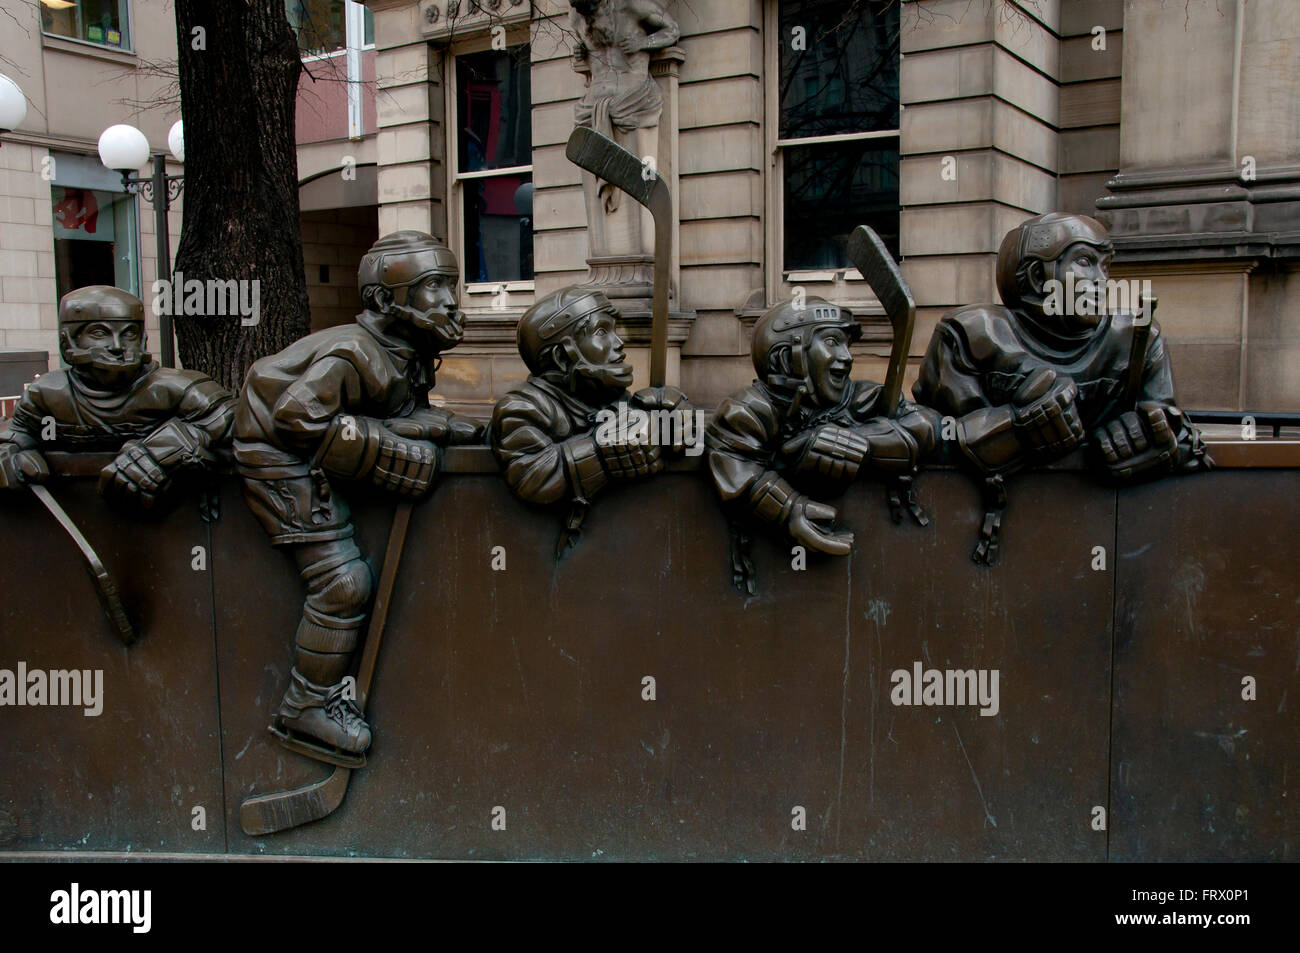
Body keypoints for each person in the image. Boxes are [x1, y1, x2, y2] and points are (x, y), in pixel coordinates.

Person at [233, 231, 481, 765]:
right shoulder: (352, 352)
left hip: (306, 447)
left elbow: (389, 411)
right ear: (382, 301)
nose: (448, 300)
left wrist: (430, 427)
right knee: (343, 584)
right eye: (430, 287)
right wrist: (384, 448)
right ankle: (306, 704)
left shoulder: (408, 350)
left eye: (451, 286)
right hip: (279, 460)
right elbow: (297, 418)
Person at [913, 211, 1212, 562]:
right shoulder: (971, 334)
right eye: (1085, 262)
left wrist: (1155, 439)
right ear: (1039, 277)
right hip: (980, 541)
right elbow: (935, 441)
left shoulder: (1137, 338)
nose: (1102, 280)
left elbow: (1177, 431)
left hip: (1101, 537)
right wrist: (1017, 429)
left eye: (1106, 266)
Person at [706, 296, 938, 566]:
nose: (847, 357)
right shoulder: (747, 411)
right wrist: (789, 510)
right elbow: (736, 468)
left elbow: (925, 425)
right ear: (787, 356)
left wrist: (857, 442)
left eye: (846, 345)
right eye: (831, 342)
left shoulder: (862, 398)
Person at [490, 286, 689, 553]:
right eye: (601, 332)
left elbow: (692, 442)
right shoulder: (521, 408)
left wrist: (679, 414)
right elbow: (534, 478)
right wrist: (603, 448)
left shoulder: (610, 398)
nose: (618, 343)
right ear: (562, 356)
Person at [0, 285, 233, 507]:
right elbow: (15, 435)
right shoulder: (47, 393)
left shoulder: (178, 386)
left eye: (128, 333)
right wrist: (7, 455)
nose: (117, 346)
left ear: (142, 338)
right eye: (99, 333)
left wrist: (165, 449)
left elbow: (233, 420)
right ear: (68, 339)